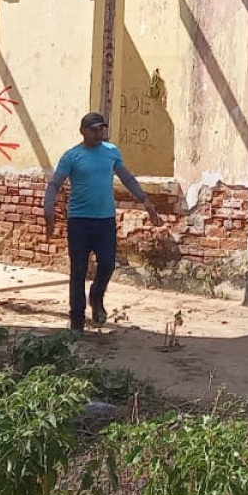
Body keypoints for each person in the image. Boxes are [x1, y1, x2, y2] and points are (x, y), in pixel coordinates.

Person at [43, 112, 164, 332]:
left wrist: (145, 201)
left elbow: (127, 178)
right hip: (79, 221)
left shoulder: (111, 152)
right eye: (94, 129)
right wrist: (48, 208)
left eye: (101, 129)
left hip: (105, 220)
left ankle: (96, 296)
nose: (98, 133)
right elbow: (55, 184)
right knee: (78, 271)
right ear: (83, 131)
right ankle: (77, 320)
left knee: (107, 263)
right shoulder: (72, 156)